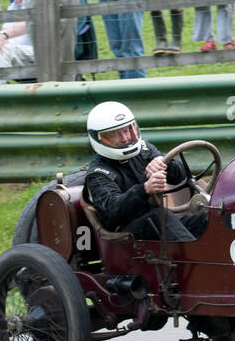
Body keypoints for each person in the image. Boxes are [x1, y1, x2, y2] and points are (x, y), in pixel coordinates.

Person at [83, 101, 209, 241]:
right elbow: (113, 211)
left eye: (126, 130)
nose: (125, 139)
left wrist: (164, 163)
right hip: (127, 234)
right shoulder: (98, 173)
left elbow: (181, 177)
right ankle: (193, 260)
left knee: (206, 218)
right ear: (100, 138)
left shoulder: (145, 150)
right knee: (160, 217)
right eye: (115, 135)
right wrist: (145, 189)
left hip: (161, 221)